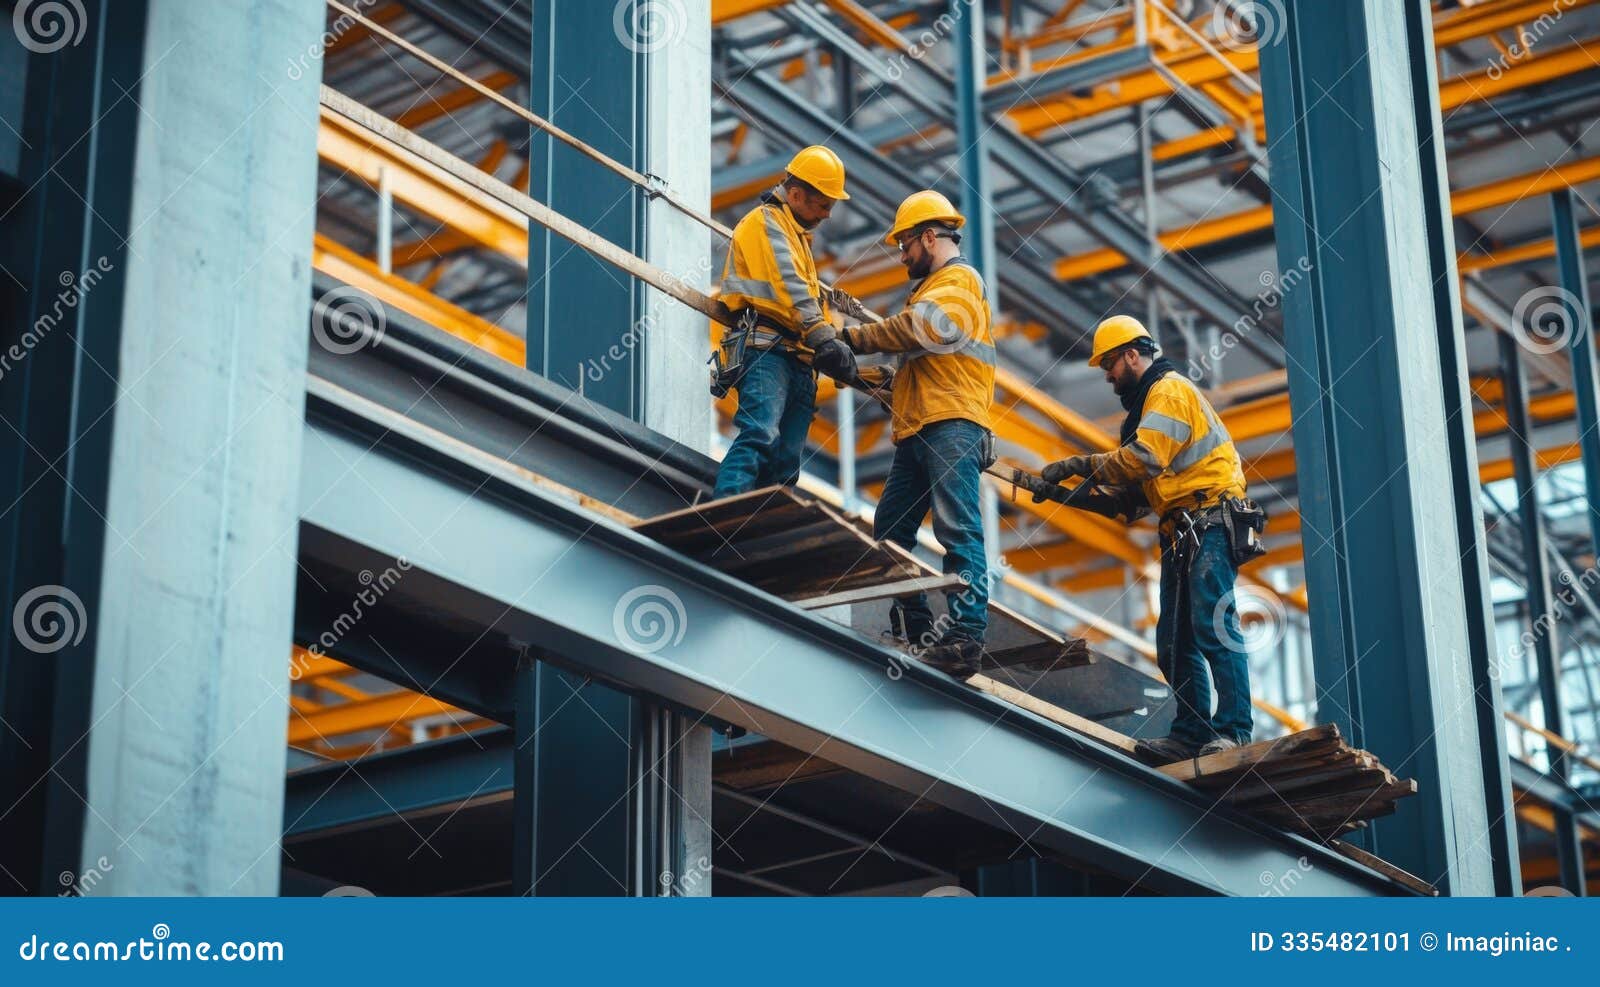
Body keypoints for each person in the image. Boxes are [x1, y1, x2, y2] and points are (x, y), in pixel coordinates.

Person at [1038, 316, 1261, 763]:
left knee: (1211, 625)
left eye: (1109, 364)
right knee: (1173, 641)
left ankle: (1235, 729)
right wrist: (1066, 494)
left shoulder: (1170, 392)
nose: (1107, 375)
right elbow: (1132, 503)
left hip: (1212, 519)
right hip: (1182, 530)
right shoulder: (1143, 415)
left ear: (1132, 355)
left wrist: (1078, 464)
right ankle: (1192, 732)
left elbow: (1142, 459)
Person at [805, 191, 995, 678]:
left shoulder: (957, 282)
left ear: (931, 237)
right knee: (890, 529)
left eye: (906, 243)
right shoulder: (935, 289)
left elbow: (923, 328)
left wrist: (848, 339)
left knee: (958, 529)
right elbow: (913, 368)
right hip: (921, 425)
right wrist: (853, 369)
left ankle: (966, 635)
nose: (903, 254)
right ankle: (918, 626)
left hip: (949, 423)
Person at [712, 145, 867, 497]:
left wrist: (835, 347)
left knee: (785, 462)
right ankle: (725, 512)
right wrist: (823, 337)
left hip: (796, 359)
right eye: (823, 204)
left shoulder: (796, 237)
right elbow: (790, 287)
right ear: (796, 194)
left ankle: (760, 526)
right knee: (759, 435)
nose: (828, 214)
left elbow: (804, 298)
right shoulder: (765, 224)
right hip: (768, 353)